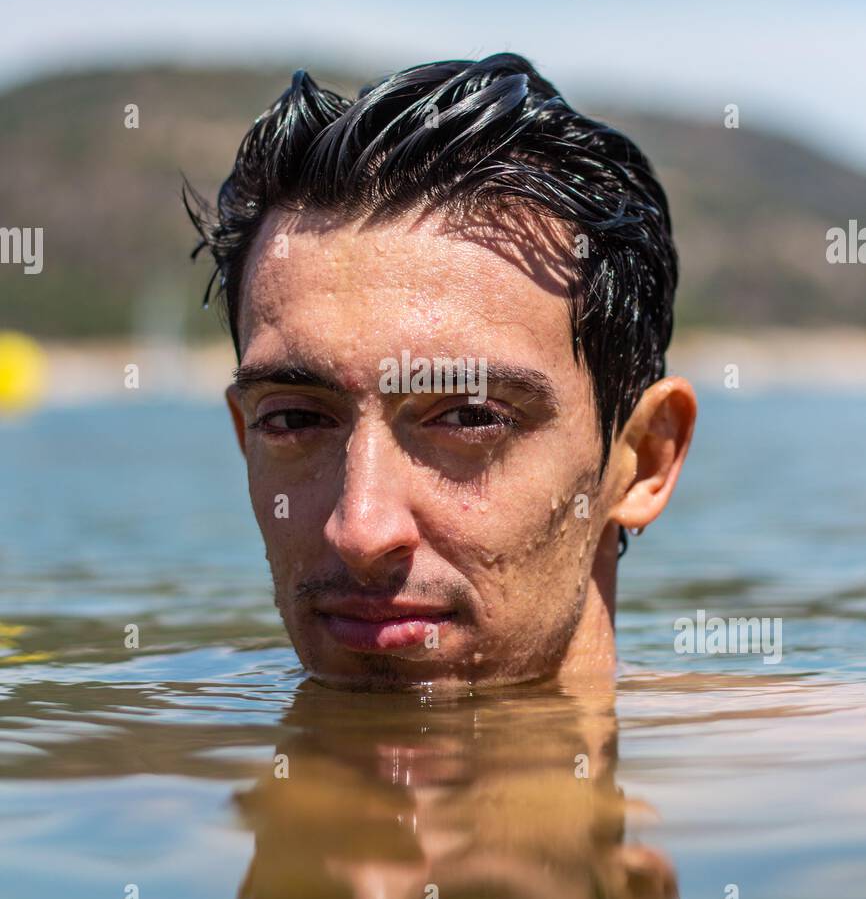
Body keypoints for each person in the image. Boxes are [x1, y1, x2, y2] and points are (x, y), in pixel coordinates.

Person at [186, 52, 696, 692]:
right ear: (245, 437)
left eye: (468, 416)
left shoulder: (825, 774)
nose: (361, 531)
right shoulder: (144, 777)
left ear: (644, 460)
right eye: (293, 419)